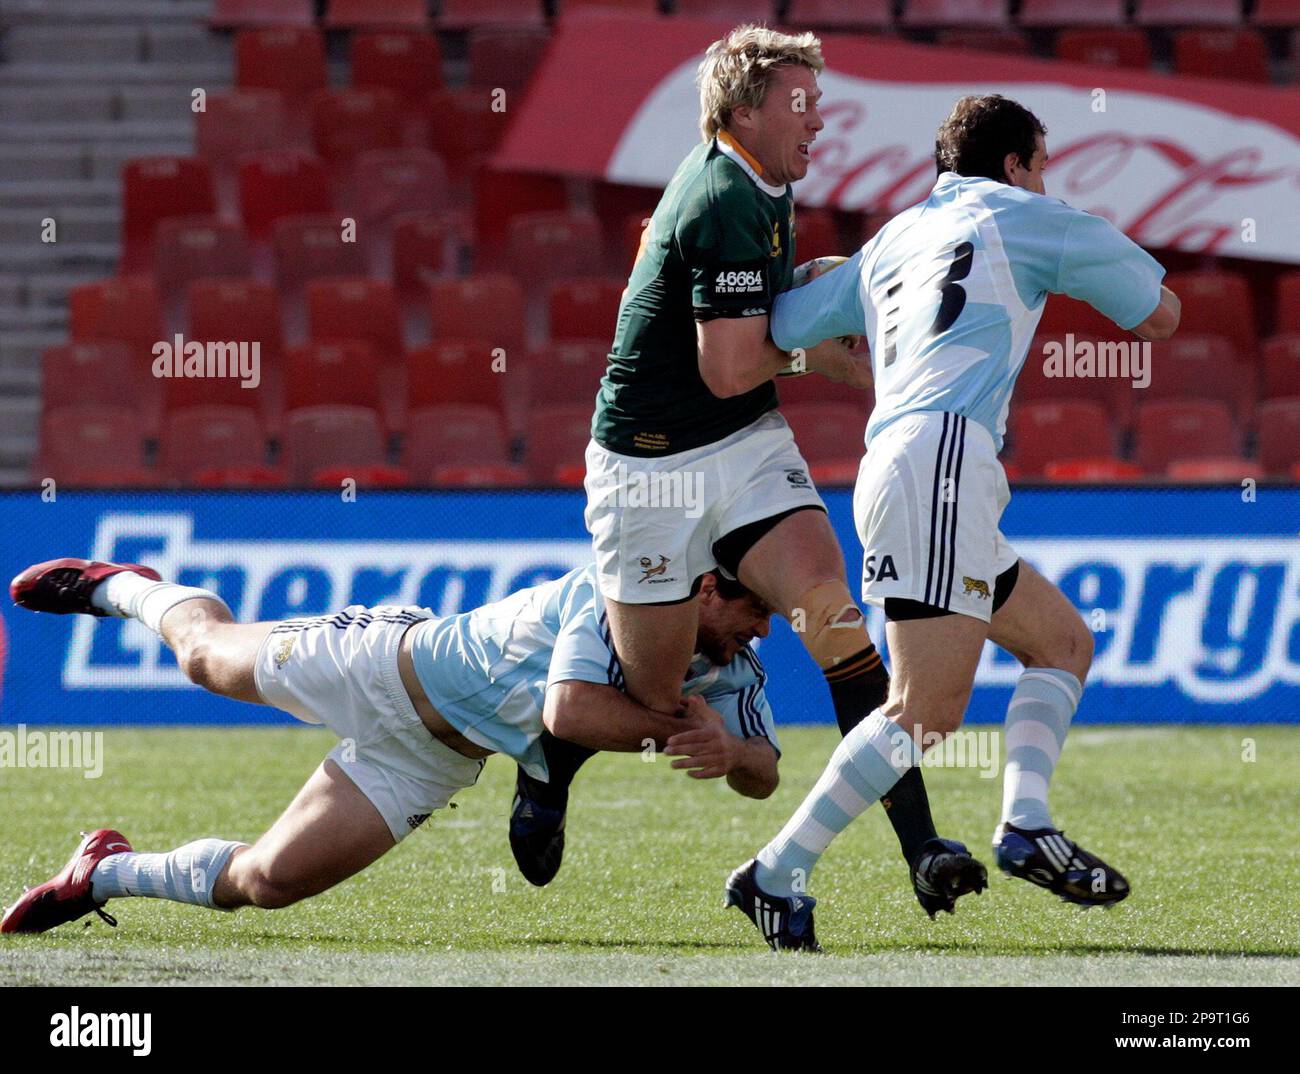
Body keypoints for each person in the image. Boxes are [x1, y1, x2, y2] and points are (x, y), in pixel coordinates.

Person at [552, 25, 986, 940]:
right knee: (658, 695)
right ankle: (554, 752)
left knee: (834, 616)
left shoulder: (763, 180)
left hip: (742, 446)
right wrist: (821, 356)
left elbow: (740, 346)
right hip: (649, 467)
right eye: (802, 101)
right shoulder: (719, 197)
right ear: (744, 108)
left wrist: (809, 289)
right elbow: (725, 366)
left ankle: (924, 849)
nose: (819, 118)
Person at [723, 93, 1182, 949]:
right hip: (940, 466)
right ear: (1014, 165)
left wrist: (830, 282)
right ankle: (775, 871)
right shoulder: (1034, 216)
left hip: (922, 466)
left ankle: (1027, 823)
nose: (1046, 179)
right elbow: (1158, 314)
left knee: (1061, 644)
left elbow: (785, 325)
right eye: (1041, 163)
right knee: (924, 709)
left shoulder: (893, 238)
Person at [2, 557, 778, 934]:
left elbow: (766, 773)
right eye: (756, 609)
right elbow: (571, 709)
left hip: (433, 756)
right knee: (203, 655)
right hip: (380, 667)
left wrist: (738, 756)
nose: (764, 630)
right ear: (708, 587)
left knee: (268, 882)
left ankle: (103, 873)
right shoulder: (616, 591)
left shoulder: (731, 665)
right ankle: (121, 587)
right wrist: (687, 731)